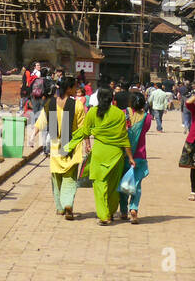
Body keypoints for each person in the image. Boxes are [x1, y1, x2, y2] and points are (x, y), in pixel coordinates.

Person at [65, 86, 134, 225]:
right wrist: (131, 157)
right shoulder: (119, 114)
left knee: (99, 185)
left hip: (99, 153)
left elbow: (85, 131)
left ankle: (104, 216)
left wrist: (79, 145)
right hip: (116, 155)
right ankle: (111, 211)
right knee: (114, 187)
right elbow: (124, 137)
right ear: (112, 99)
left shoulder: (92, 112)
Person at [34, 75, 84, 219]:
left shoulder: (50, 104)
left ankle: (60, 208)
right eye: (75, 87)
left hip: (55, 147)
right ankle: (67, 203)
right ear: (68, 89)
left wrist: (33, 136)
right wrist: (87, 144)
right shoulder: (78, 105)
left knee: (56, 178)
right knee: (70, 178)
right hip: (72, 147)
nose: (77, 89)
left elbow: (41, 121)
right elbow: (82, 128)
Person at [118, 91, 152, 224]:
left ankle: (123, 211)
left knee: (124, 183)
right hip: (139, 155)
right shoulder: (147, 117)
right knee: (136, 184)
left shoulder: (123, 113)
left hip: (124, 155)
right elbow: (145, 130)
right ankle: (134, 208)